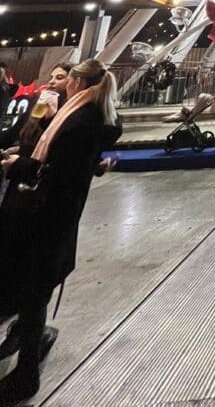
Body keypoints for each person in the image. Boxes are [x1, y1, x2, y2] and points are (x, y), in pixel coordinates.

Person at [0, 58, 122, 404]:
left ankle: (26, 372)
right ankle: (25, 339)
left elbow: (57, 171)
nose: (56, 83)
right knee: (29, 288)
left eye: (62, 78)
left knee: (33, 289)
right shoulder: (74, 114)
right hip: (40, 214)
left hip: (44, 216)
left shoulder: (80, 119)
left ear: (76, 82)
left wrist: (19, 165)